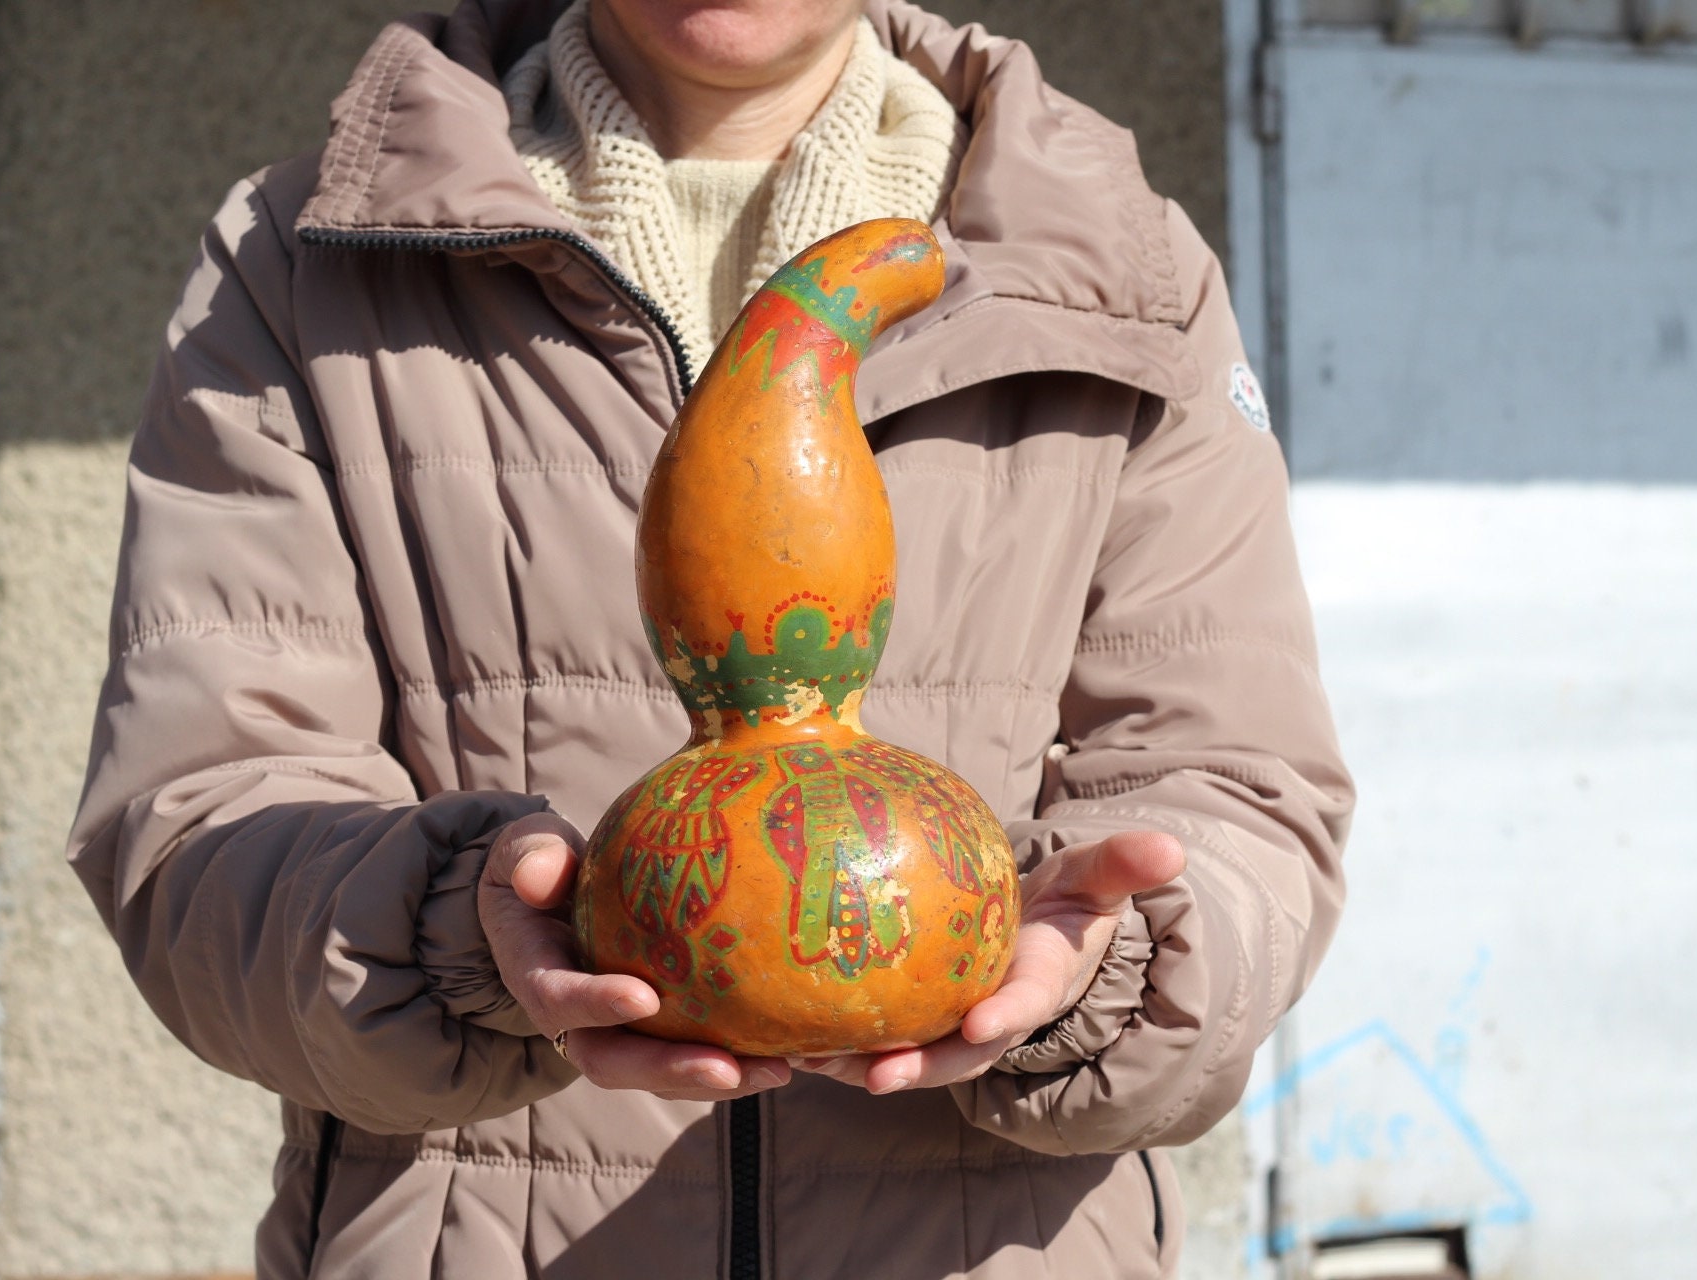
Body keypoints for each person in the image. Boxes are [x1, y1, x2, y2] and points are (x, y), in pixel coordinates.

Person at [67, 1, 1353, 1276]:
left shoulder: (1126, 274)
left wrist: (1109, 965)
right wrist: (454, 936)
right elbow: (197, 816)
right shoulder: (304, 260)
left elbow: (1240, 789)